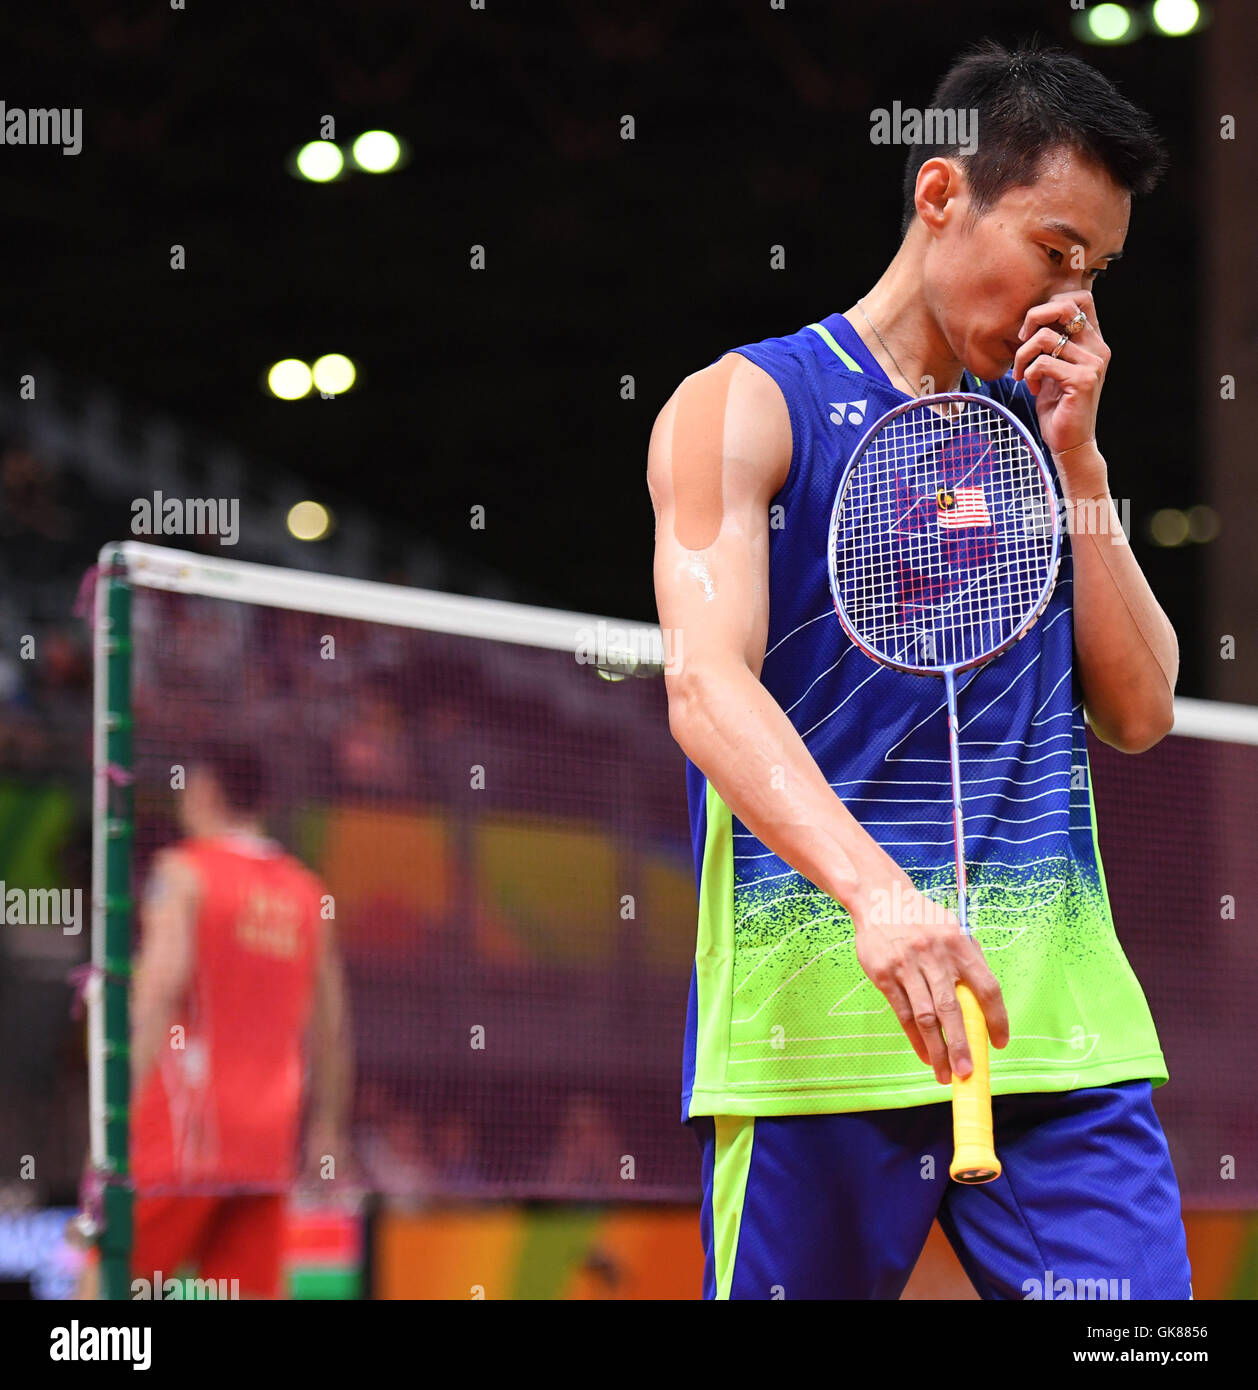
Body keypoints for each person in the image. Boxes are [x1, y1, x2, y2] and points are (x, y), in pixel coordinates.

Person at [648, 39, 1190, 1300]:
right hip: (814, 1033)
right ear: (940, 196)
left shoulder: (1038, 437)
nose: (1071, 300)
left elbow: (1142, 706)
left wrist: (1082, 467)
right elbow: (703, 687)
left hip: (1052, 1033)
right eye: (1055, 251)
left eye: (1096, 272)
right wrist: (877, 897)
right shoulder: (743, 407)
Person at [126, 741, 351, 1299]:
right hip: (267, 1145)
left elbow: (157, 991)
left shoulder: (182, 874)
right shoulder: (307, 893)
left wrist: (114, 1112)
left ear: (203, 789)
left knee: (104, 1295)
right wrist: (327, 1129)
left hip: (181, 1135)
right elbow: (333, 1029)